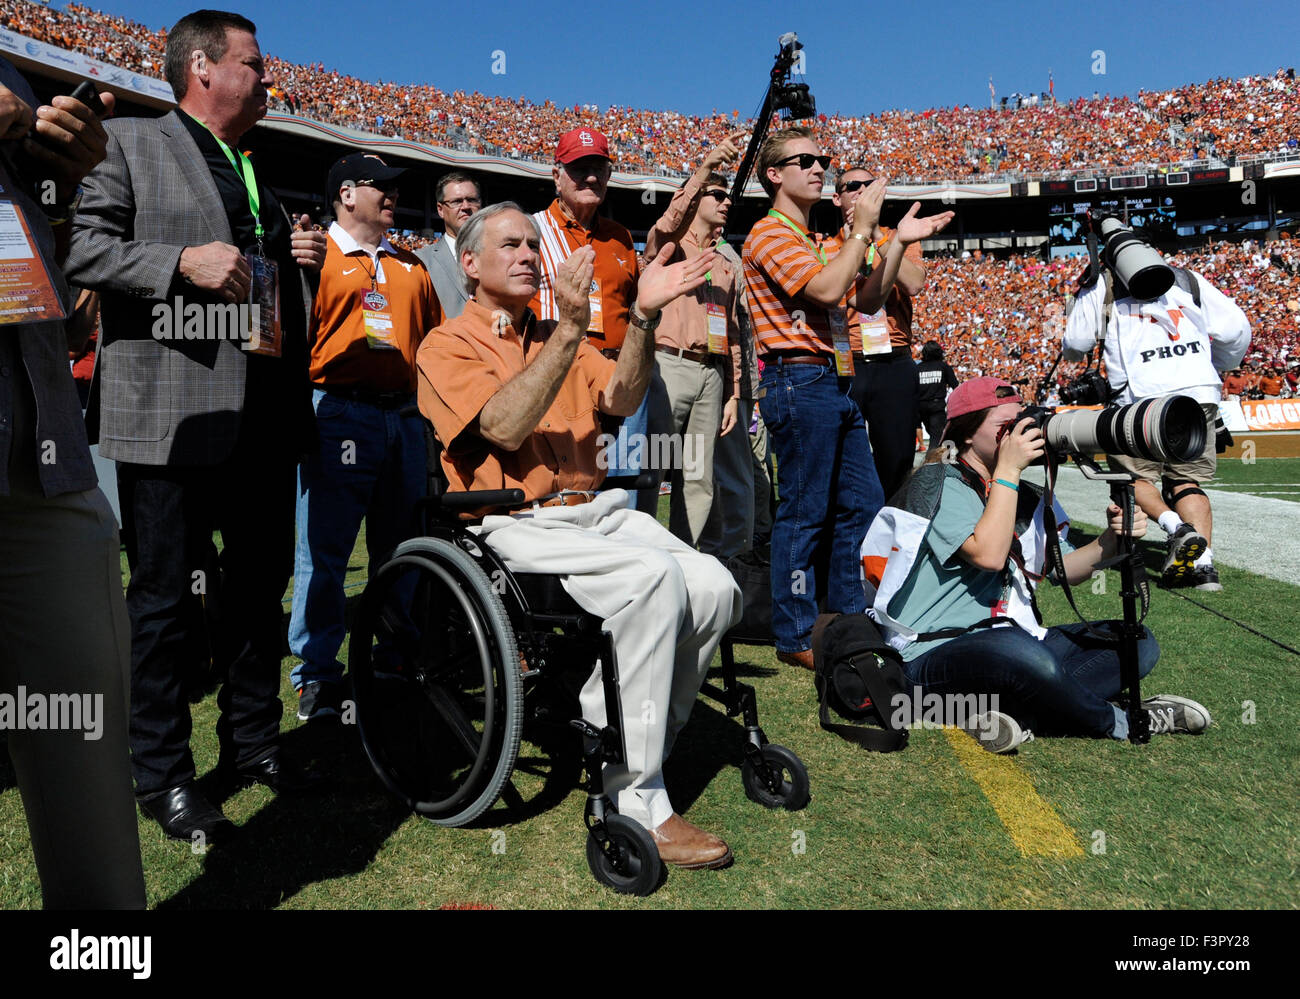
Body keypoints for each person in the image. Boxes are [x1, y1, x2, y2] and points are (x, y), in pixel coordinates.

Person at [64, 9, 329, 844]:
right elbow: (85, 253)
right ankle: (163, 774)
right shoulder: (133, 143)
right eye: (254, 63)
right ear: (203, 69)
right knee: (165, 603)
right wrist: (178, 262)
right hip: (169, 420)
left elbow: (266, 301)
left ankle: (253, 742)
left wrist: (297, 271)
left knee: (256, 595)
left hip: (261, 419)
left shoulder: (255, 173)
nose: (267, 77)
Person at [417, 203, 741, 869]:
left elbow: (622, 398)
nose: (530, 255)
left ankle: (620, 730)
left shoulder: (563, 336)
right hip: (507, 520)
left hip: (592, 509)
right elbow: (502, 429)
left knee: (714, 585)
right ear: (468, 264)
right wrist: (567, 329)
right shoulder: (445, 344)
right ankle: (636, 794)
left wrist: (644, 318)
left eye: (534, 244)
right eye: (510, 245)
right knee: (654, 580)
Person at [861, 376, 1212, 752]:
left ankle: (1009, 713)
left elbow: (1064, 571)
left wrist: (1110, 541)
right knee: (1020, 652)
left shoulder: (1024, 495)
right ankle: (1123, 720)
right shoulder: (939, 481)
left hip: (1011, 642)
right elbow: (990, 555)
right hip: (932, 654)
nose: (1018, 436)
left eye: (1022, 425)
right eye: (1005, 428)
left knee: (1136, 643)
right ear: (966, 434)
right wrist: (1008, 472)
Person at [0, 59, 145, 908]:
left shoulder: (14, 72)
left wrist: (70, 177)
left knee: (81, 749)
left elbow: (52, 265)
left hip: (45, 455)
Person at [741, 125, 952, 669]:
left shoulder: (811, 240)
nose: (819, 168)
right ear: (773, 174)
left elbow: (869, 298)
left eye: (822, 160)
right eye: (805, 160)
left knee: (860, 502)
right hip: (800, 378)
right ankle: (793, 634)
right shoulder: (768, 233)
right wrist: (863, 230)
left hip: (834, 378)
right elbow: (828, 291)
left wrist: (895, 240)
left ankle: (844, 616)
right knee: (805, 511)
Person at [288, 152, 442, 721]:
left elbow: (433, 347)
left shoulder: (412, 266)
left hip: (403, 417)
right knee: (324, 553)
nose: (392, 196)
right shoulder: (310, 255)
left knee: (398, 550)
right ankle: (316, 676)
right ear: (347, 194)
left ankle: (393, 660)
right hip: (337, 412)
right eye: (382, 187)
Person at [1063, 256, 1251, 591]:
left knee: (1134, 478)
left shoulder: (1103, 283)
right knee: (1187, 481)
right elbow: (1236, 328)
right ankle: (1204, 567)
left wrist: (1076, 356)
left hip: (1139, 398)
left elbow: (1077, 344)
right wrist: (1216, 368)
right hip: (1198, 391)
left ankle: (1176, 528)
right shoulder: (1186, 278)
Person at [530, 127, 669, 514]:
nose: (591, 177)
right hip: (564, 376)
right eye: (579, 168)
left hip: (619, 375)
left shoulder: (621, 236)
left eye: (599, 168)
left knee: (626, 488)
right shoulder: (533, 231)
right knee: (570, 486)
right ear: (556, 175)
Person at [641, 131, 746, 545]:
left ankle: (688, 561)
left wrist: (734, 392)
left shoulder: (724, 262)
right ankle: (646, 555)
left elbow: (733, 332)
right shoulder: (670, 247)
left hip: (711, 373)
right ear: (696, 198)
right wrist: (704, 168)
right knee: (654, 469)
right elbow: (668, 221)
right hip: (669, 365)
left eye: (727, 198)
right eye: (716, 196)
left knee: (699, 477)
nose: (725, 203)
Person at [829, 165, 933, 499]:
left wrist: (875, 234)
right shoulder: (825, 246)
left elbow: (915, 283)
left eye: (869, 184)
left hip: (894, 363)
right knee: (842, 457)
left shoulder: (899, 236)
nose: (861, 190)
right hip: (848, 362)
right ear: (836, 197)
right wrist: (855, 238)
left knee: (898, 458)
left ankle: (895, 535)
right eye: (852, 186)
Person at [414, 171, 480, 318]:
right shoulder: (420, 262)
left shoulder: (498, 256)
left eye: (472, 200)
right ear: (440, 210)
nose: (465, 206)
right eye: (457, 201)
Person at [916, 339, 959, 448]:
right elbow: (955, 386)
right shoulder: (943, 367)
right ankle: (933, 461)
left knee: (933, 433)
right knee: (936, 437)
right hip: (936, 406)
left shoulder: (918, 368)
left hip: (920, 406)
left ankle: (939, 456)